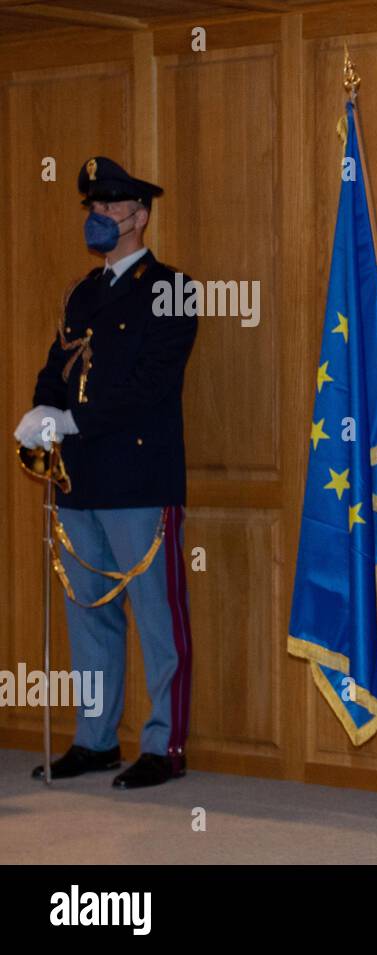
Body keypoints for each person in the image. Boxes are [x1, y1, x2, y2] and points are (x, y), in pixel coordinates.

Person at [16, 156, 197, 789]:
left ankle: (162, 745)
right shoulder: (81, 293)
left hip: (140, 476)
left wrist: (72, 421)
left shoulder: (173, 288)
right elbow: (54, 366)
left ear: (139, 215)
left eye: (109, 205)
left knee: (156, 615)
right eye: (91, 206)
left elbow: (151, 386)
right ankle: (95, 739)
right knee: (89, 614)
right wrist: (42, 410)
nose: (97, 215)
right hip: (79, 478)